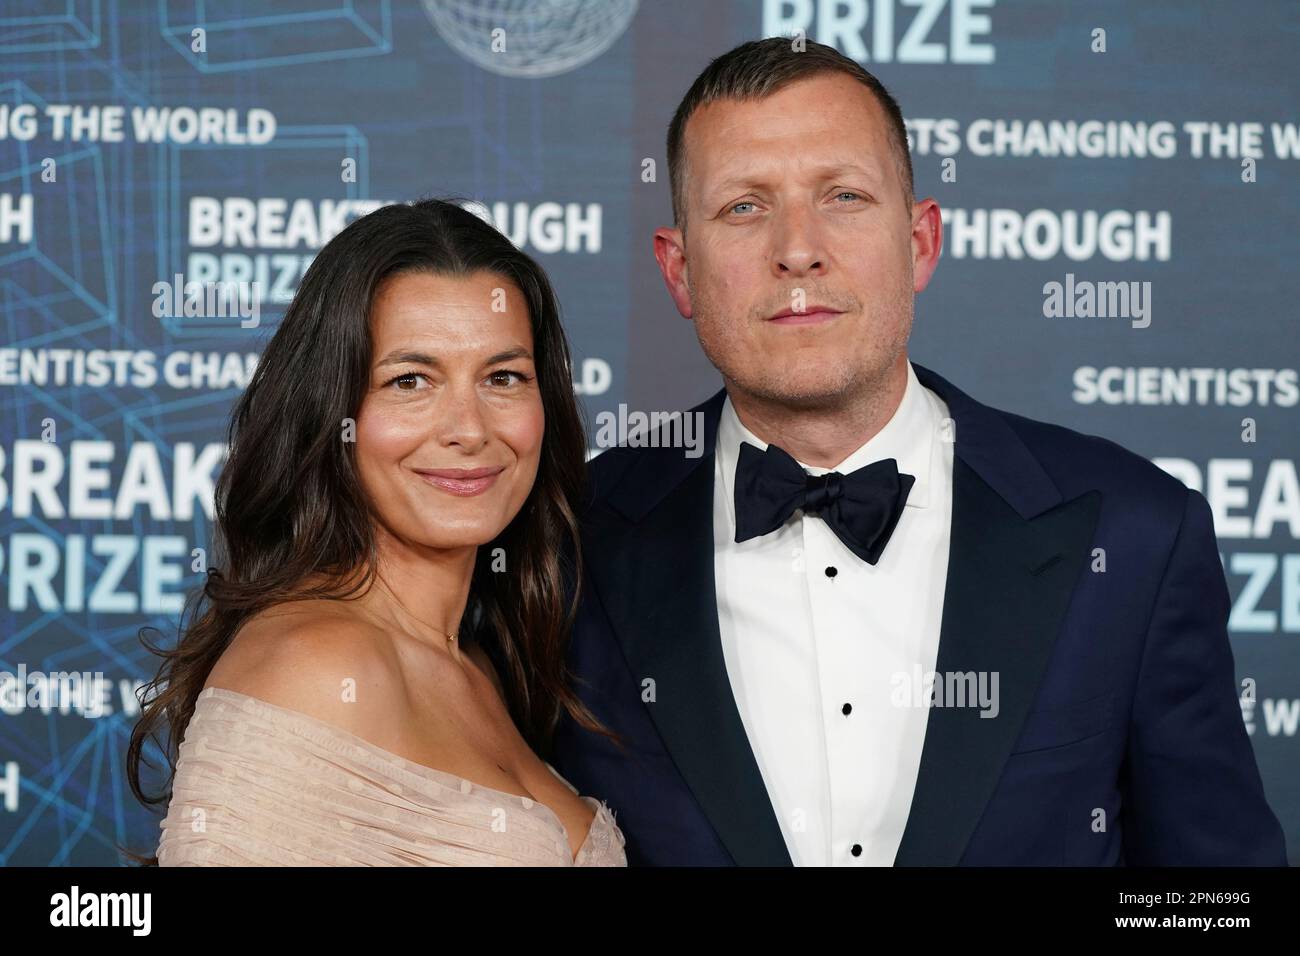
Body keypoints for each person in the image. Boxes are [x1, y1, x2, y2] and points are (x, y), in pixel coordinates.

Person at [549, 38, 1287, 866]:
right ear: (679, 271)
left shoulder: (1135, 533)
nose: (798, 248)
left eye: (845, 196)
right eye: (745, 207)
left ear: (921, 241)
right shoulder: (567, 544)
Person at [127, 198, 626, 866]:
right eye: (411, 380)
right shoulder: (318, 663)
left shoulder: (480, 663)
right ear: (333, 414)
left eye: (503, 377)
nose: (470, 428)